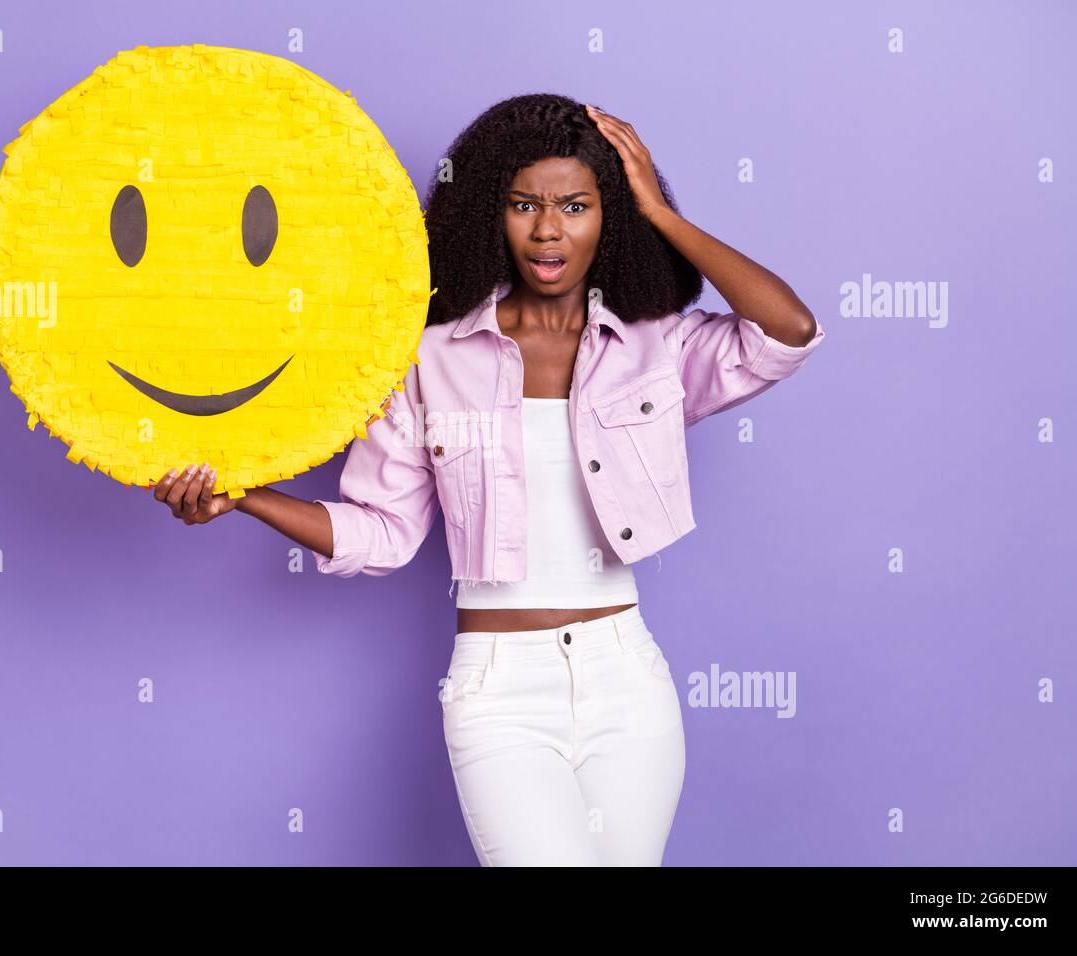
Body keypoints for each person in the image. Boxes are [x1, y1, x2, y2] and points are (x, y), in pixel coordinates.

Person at [150, 94, 826, 866]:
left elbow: (787, 332)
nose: (548, 229)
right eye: (523, 205)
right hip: (500, 691)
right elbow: (383, 534)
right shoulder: (431, 356)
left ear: (612, 216)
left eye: (577, 205)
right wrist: (246, 497)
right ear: (487, 213)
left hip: (627, 676)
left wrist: (662, 217)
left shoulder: (655, 347)